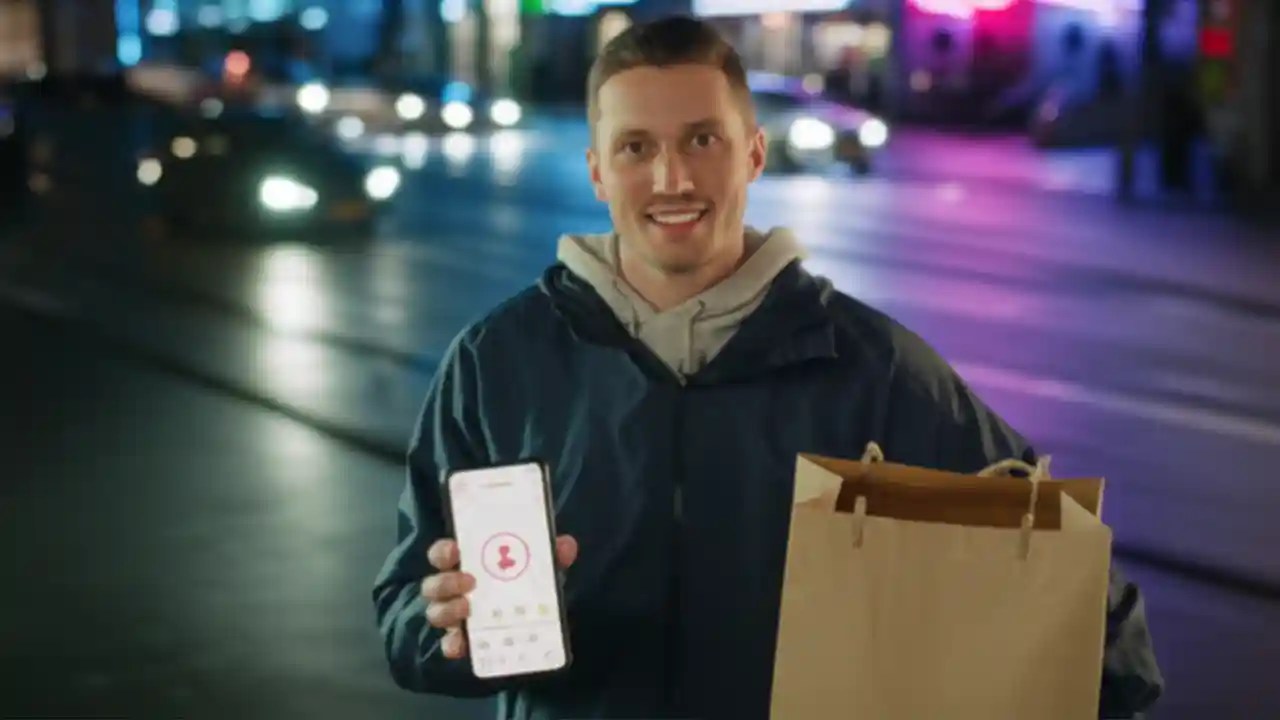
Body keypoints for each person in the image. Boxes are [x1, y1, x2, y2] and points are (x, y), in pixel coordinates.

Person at [372, 16, 1163, 720]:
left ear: (753, 154)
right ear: (597, 172)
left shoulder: (872, 370)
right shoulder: (498, 361)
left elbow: (1087, 610)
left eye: (701, 140)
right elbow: (406, 608)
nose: (672, 178)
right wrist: (444, 631)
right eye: (636, 147)